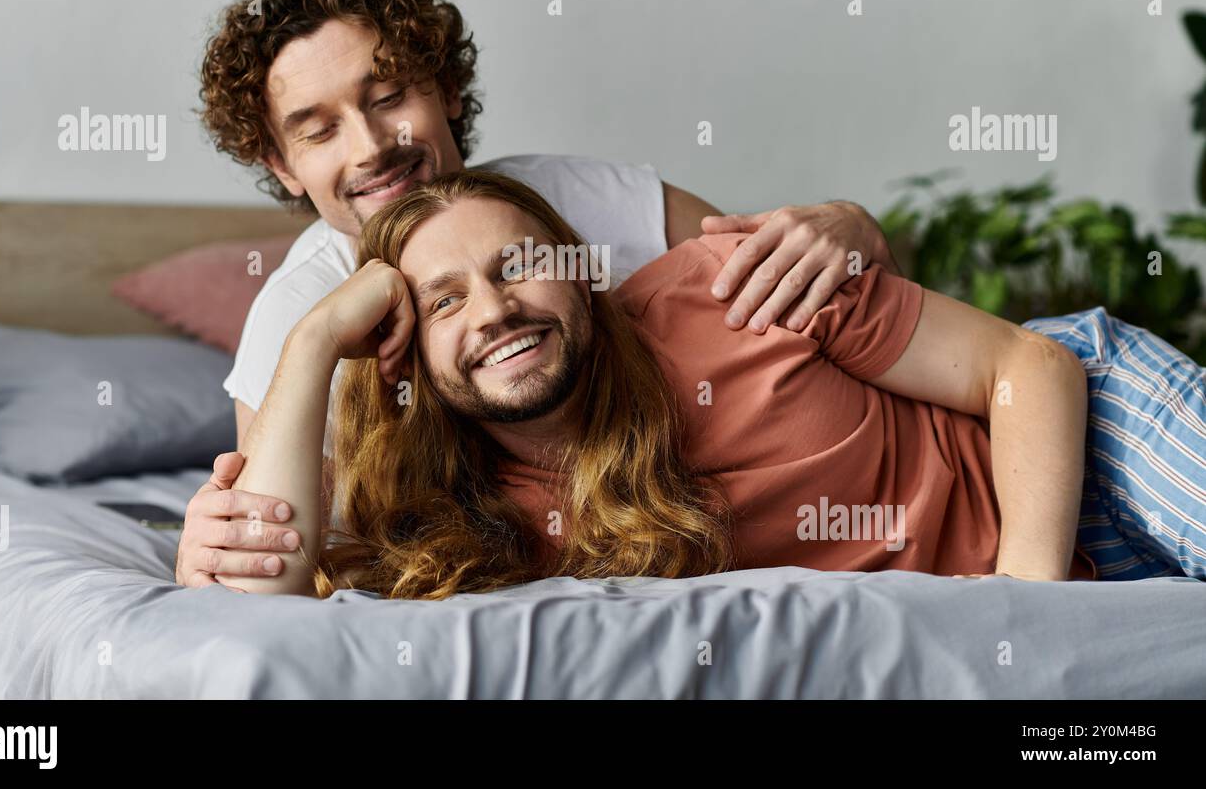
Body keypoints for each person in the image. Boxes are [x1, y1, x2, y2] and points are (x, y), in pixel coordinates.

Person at [176, 0, 901, 588]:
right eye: (320, 129)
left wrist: (854, 229)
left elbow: (830, 304)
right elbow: (264, 572)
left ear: (447, 91)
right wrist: (214, 555)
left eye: (389, 96)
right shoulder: (296, 314)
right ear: (282, 165)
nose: (369, 146)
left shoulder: (589, 199)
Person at [219, 170, 1206, 600]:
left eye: (517, 265)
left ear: (580, 271)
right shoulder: (459, 517)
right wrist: (311, 339)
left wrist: (1027, 610)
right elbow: (269, 613)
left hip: (1081, 434)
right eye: (441, 302)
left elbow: (1027, 367)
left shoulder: (723, 281)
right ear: (410, 363)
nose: (493, 310)